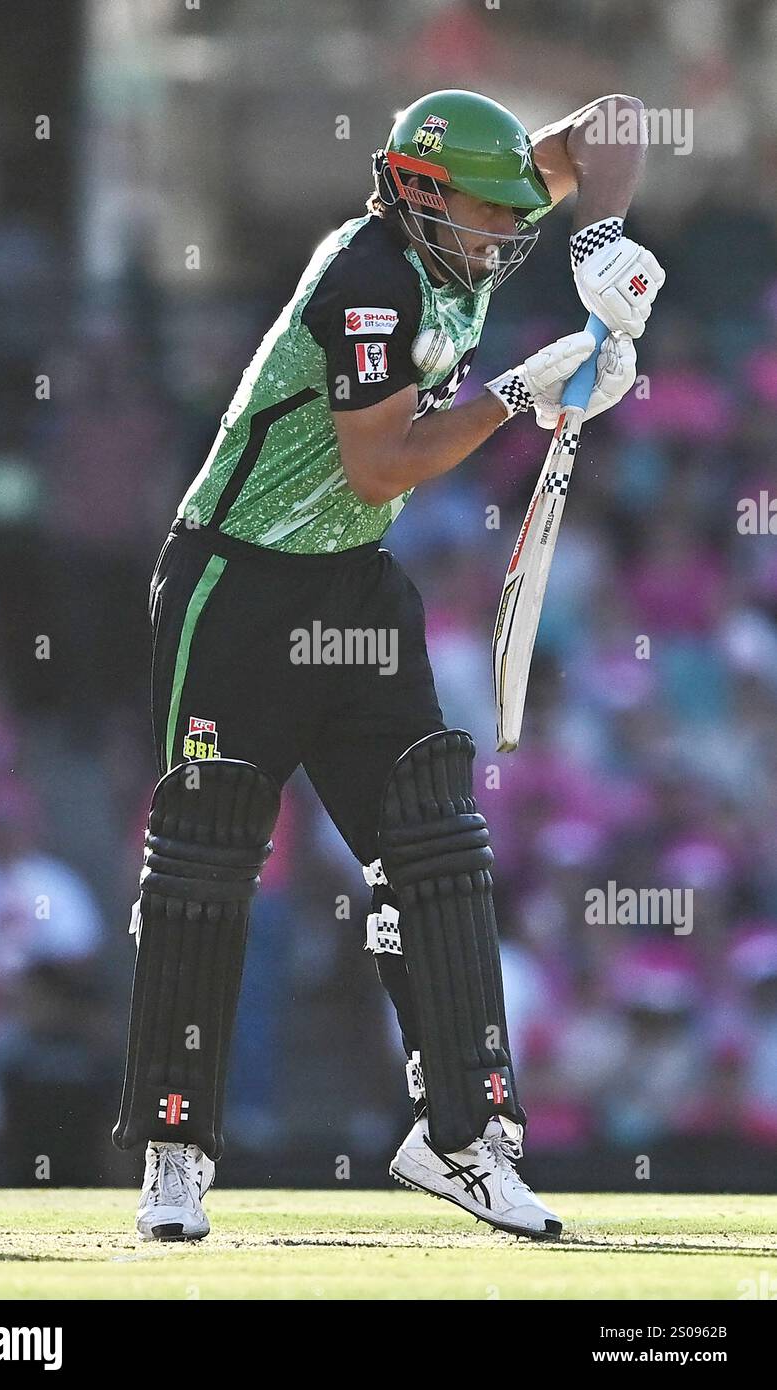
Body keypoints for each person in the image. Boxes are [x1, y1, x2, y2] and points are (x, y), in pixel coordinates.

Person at [112, 89, 664, 1241]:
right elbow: (379, 466)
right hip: (236, 585)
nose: (506, 233)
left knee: (433, 848)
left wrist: (602, 242)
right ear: (418, 195)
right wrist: (521, 390)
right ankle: (176, 1146)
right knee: (206, 863)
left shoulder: (469, 221)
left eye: (516, 211)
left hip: (353, 584)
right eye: (487, 212)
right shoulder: (366, 277)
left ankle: (463, 1136)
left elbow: (613, 121)